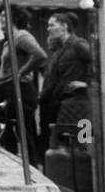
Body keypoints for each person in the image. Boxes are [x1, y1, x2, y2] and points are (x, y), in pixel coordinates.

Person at [0, 6, 48, 165]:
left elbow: (40, 55)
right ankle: (16, 165)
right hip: (10, 90)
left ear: (13, 18)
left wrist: (21, 72)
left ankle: (33, 167)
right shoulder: (10, 39)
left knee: (24, 132)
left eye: (4, 16)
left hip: (21, 89)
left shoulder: (21, 36)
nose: (0, 19)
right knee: (11, 132)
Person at [40, 11, 93, 154]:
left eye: (52, 25)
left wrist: (86, 84)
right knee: (66, 146)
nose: (48, 28)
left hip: (80, 104)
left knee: (82, 145)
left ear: (64, 26)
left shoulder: (78, 44)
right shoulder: (61, 50)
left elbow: (99, 62)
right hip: (66, 104)